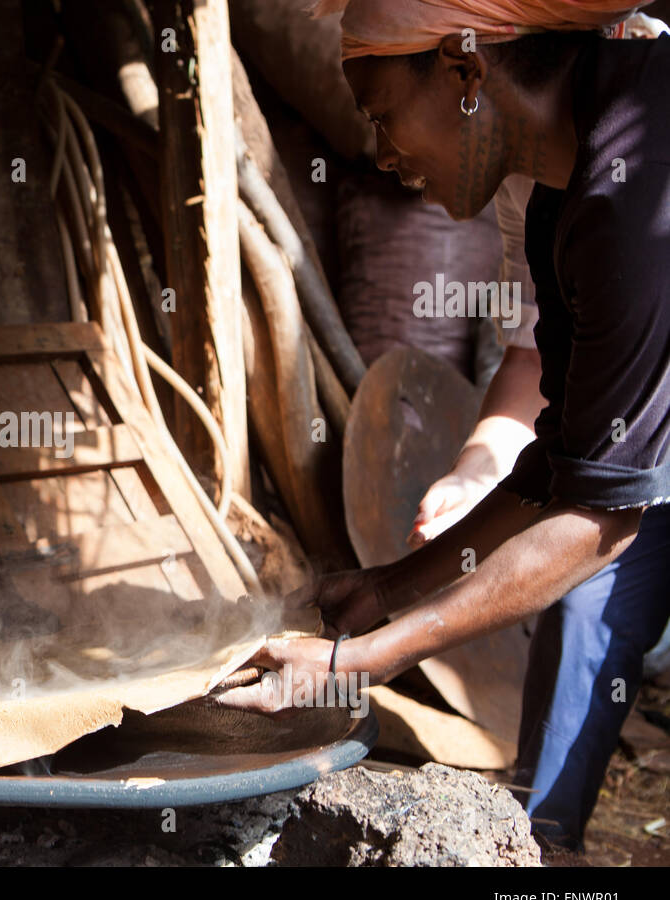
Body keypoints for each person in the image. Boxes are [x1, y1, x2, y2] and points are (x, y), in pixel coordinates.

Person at [219, 0, 670, 851]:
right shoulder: (556, 205)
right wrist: (393, 585)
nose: (384, 156)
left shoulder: (635, 178)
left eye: (384, 117)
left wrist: (364, 661)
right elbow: (561, 463)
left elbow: (599, 519)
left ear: (466, 74)